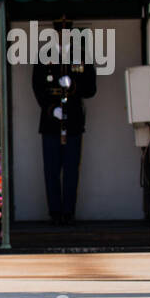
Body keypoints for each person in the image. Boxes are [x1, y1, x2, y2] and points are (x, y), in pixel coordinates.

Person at [31, 28, 97, 226]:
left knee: (71, 169)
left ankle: (68, 211)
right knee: (51, 169)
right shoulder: (45, 55)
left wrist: (74, 84)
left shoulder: (81, 55)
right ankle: (55, 212)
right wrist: (51, 109)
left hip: (74, 121)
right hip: (51, 122)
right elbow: (37, 86)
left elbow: (91, 89)